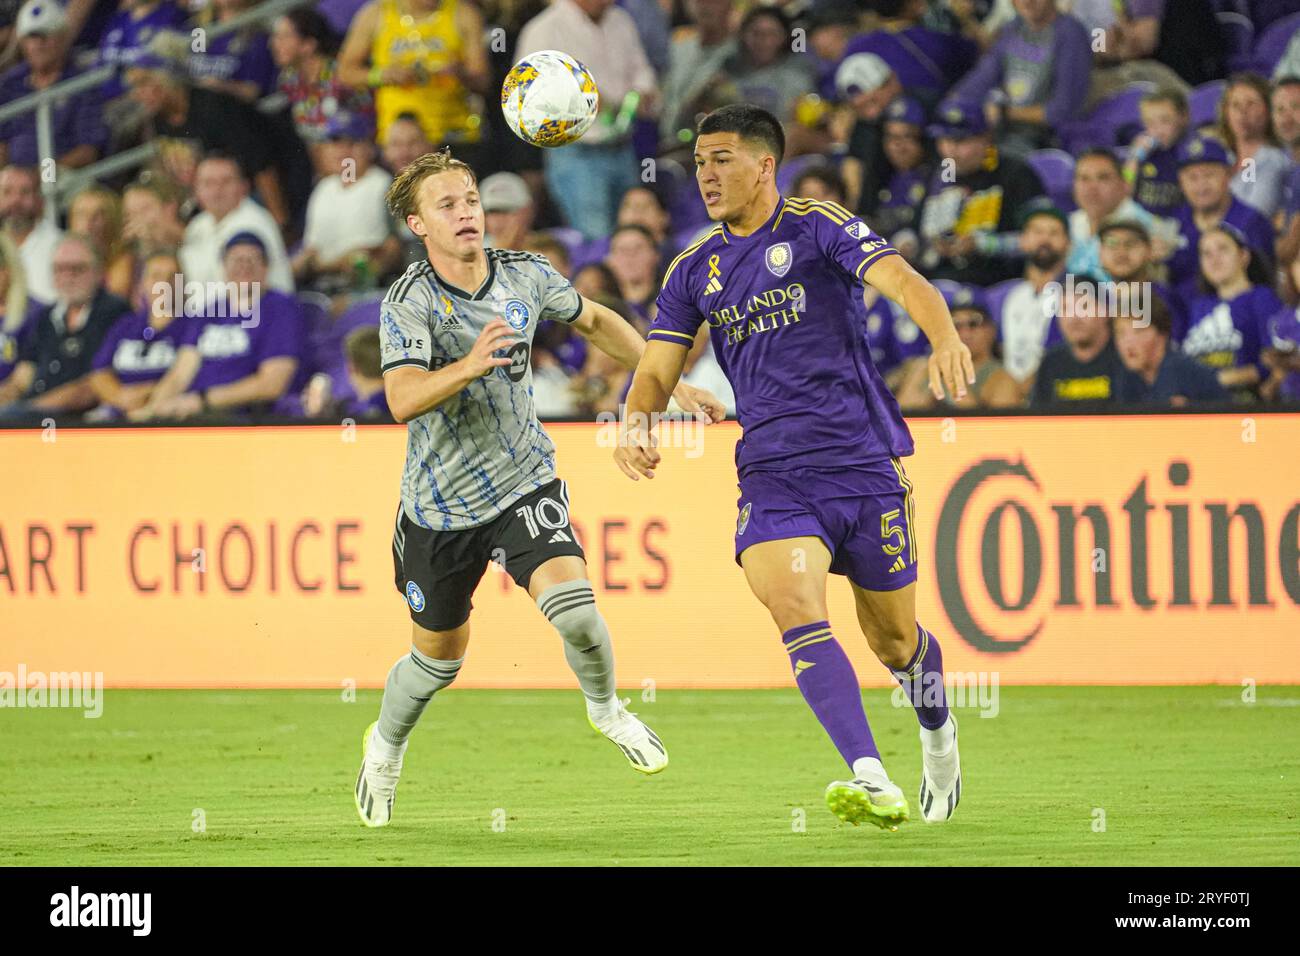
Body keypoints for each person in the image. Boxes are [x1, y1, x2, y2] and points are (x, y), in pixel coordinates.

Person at [616, 104, 971, 828]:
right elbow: (655, 367)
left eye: (721, 159)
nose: (706, 175)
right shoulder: (694, 270)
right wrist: (634, 422)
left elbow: (906, 283)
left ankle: (937, 736)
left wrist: (944, 338)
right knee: (795, 607)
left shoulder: (818, 225)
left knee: (895, 642)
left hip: (862, 462)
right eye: (699, 162)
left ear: (764, 164)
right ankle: (870, 775)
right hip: (774, 472)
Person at [355, 149, 724, 828]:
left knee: (578, 614)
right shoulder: (409, 302)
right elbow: (401, 398)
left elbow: (595, 320)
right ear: (417, 224)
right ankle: (385, 745)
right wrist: (468, 364)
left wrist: (667, 380)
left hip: (524, 483)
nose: (467, 213)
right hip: (438, 508)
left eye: (470, 198)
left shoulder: (524, 275)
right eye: (448, 205)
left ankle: (608, 709)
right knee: (436, 662)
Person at [516, 0, 657, 240]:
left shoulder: (620, 20)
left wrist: (642, 92)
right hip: (577, 154)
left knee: (634, 235)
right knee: (596, 239)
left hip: (622, 147)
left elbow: (642, 71)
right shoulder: (544, 29)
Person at [135, 232, 305, 419]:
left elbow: (272, 384)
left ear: (265, 268)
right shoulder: (210, 311)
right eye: (236, 260)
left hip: (249, 418)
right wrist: (152, 410)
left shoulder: (280, 309)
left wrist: (202, 401)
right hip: (197, 414)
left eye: (251, 260)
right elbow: (180, 374)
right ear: (223, 268)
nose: (243, 266)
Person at [917, 99, 1047, 285]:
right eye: (944, 140)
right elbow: (918, 229)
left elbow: (1041, 239)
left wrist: (983, 244)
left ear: (986, 138)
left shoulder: (1017, 173)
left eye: (960, 141)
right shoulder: (942, 174)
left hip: (999, 281)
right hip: (940, 280)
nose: (950, 150)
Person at [0, 234, 131, 414]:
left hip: (77, 420)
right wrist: (7, 396)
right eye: (59, 269)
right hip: (31, 414)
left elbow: (92, 386)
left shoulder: (114, 313)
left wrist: (29, 411)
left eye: (77, 269)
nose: (67, 276)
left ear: (99, 271)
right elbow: (22, 377)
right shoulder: (45, 316)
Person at [337, 0, 490, 153]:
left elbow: (483, 81)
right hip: (400, 140)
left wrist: (460, 73)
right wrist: (382, 75)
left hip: (453, 134)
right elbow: (345, 72)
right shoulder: (377, 13)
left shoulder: (463, 13)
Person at [950, 0, 1092, 157]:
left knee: (994, 163)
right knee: (954, 150)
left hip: (1044, 141)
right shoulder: (1013, 28)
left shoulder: (1070, 33)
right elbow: (981, 78)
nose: (1027, 2)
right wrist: (952, 106)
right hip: (1000, 134)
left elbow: (1064, 110)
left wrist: (1005, 113)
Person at [293, 111, 396, 294]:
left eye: (352, 143)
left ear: (370, 148)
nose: (343, 151)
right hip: (322, 286)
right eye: (335, 142)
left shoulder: (383, 185)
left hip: (367, 289)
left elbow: (388, 248)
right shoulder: (324, 188)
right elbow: (312, 249)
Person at [0, 0, 108, 169]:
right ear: (22, 42)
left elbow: (88, 152)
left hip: (62, 178)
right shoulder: (9, 83)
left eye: (47, 35)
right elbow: (2, 143)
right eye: (33, 36)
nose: (39, 44)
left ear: (63, 37)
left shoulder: (81, 83)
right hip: (15, 180)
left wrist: (44, 175)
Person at [1180, 224, 1282, 398]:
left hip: (1245, 401)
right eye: (1206, 253)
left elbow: (1276, 361)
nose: (1214, 259)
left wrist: (1221, 379)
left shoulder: (1262, 298)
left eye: (1223, 249)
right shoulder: (1198, 305)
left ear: (1244, 256)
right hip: (1199, 405)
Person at [1166, 135, 1276, 295]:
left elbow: (1265, 282)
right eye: (1192, 177)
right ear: (1180, 182)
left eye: (1209, 175)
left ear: (1228, 175)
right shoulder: (1173, 222)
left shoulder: (1252, 222)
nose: (1201, 186)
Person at [88, 250, 189, 414]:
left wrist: (147, 394)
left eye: (172, 277)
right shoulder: (125, 325)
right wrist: (120, 397)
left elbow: (186, 376)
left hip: (165, 414)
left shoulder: (191, 325)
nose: (164, 284)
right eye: (156, 276)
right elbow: (99, 373)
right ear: (142, 284)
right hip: (118, 412)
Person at [180, 153, 294, 293]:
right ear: (196, 190)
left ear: (244, 187)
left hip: (258, 310)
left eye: (226, 181)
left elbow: (238, 291)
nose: (217, 190)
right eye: (208, 183)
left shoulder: (253, 223)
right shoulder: (198, 224)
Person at [895, 283, 1021, 409]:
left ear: (991, 330)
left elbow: (1001, 427)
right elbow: (901, 418)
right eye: (955, 324)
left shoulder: (1002, 380)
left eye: (974, 323)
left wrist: (951, 382)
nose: (965, 333)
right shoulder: (925, 369)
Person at [271, 6, 373, 145]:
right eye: (276, 36)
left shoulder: (342, 74)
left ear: (308, 45)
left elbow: (368, 120)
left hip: (355, 151)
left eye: (284, 37)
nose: (274, 44)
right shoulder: (288, 80)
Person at [998, 202, 1067, 389]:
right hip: (1009, 389)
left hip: (1056, 385)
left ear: (1068, 244)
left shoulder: (1077, 294)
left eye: (1054, 233)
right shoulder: (1006, 295)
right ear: (1023, 240)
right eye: (1037, 232)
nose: (1045, 239)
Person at [1114, 295, 1224, 406]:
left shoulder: (1188, 374)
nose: (1128, 343)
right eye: (1120, 333)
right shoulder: (1125, 378)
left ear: (1162, 334)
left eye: (1138, 331)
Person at [1030, 283, 1124, 407]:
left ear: (1106, 311)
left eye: (1084, 307)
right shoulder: (1051, 363)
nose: (1074, 318)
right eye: (1065, 309)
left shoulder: (1125, 358)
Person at [1218, 73, 1291, 219]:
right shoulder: (1222, 156)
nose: (1242, 112)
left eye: (1251, 103)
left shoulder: (1271, 160)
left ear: (1269, 109)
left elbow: (1254, 214)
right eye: (1235, 105)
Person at [1123, 87, 1191, 220]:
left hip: (1177, 223)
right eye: (1150, 123)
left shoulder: (1192, 152)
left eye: (1165, 120)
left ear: (1183, 117)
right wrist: (1133, 160)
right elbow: (1125, 189)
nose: (1158, 130)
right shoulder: (1142, 153)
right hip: (1142, 222)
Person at [0, 163, 60, 303]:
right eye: (7, 192)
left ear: (39, 200)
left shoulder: (58, 245)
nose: (15, 200)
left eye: (25, 192)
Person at [67, 186, 133, 301]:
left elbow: (114, 300)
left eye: (98, 215)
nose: (88, 222)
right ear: (72, 221)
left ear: (113, 221)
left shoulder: (124, 260)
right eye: (81, 214)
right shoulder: (64, 260)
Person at [480, 172, 535, 251]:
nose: (498, 220)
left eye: (506, 211)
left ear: (528, 212)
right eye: (492, 212)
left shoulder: (549, 247)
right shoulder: (472, 251)